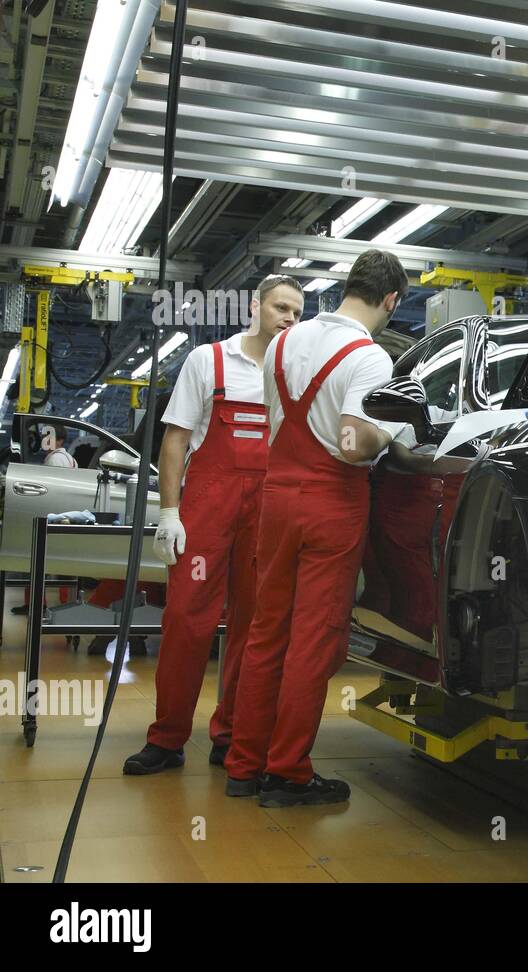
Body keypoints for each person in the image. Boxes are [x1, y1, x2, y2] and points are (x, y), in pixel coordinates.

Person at [225, 249, 411, 807]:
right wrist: (396, 424)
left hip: (276, 497)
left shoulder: (283, 340)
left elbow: (278, 416)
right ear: (392, 301)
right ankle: (288, 773)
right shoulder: (371, 358)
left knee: (265, 630)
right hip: (331, 502)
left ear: (349, 286)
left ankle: (243, 765)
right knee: (312, 641)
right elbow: (354, 444)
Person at [122, 275, 305, 775]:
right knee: (185, 619)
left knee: (254, 625)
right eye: (281, 307)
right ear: (255, 307)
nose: (289, 318)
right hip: (209, 507)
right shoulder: (209, 360)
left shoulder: (295, 372)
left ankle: (233, 735)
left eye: (296, 312)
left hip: (265, 513)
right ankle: (166, 738)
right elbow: (176, 440)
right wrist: (168, 512)